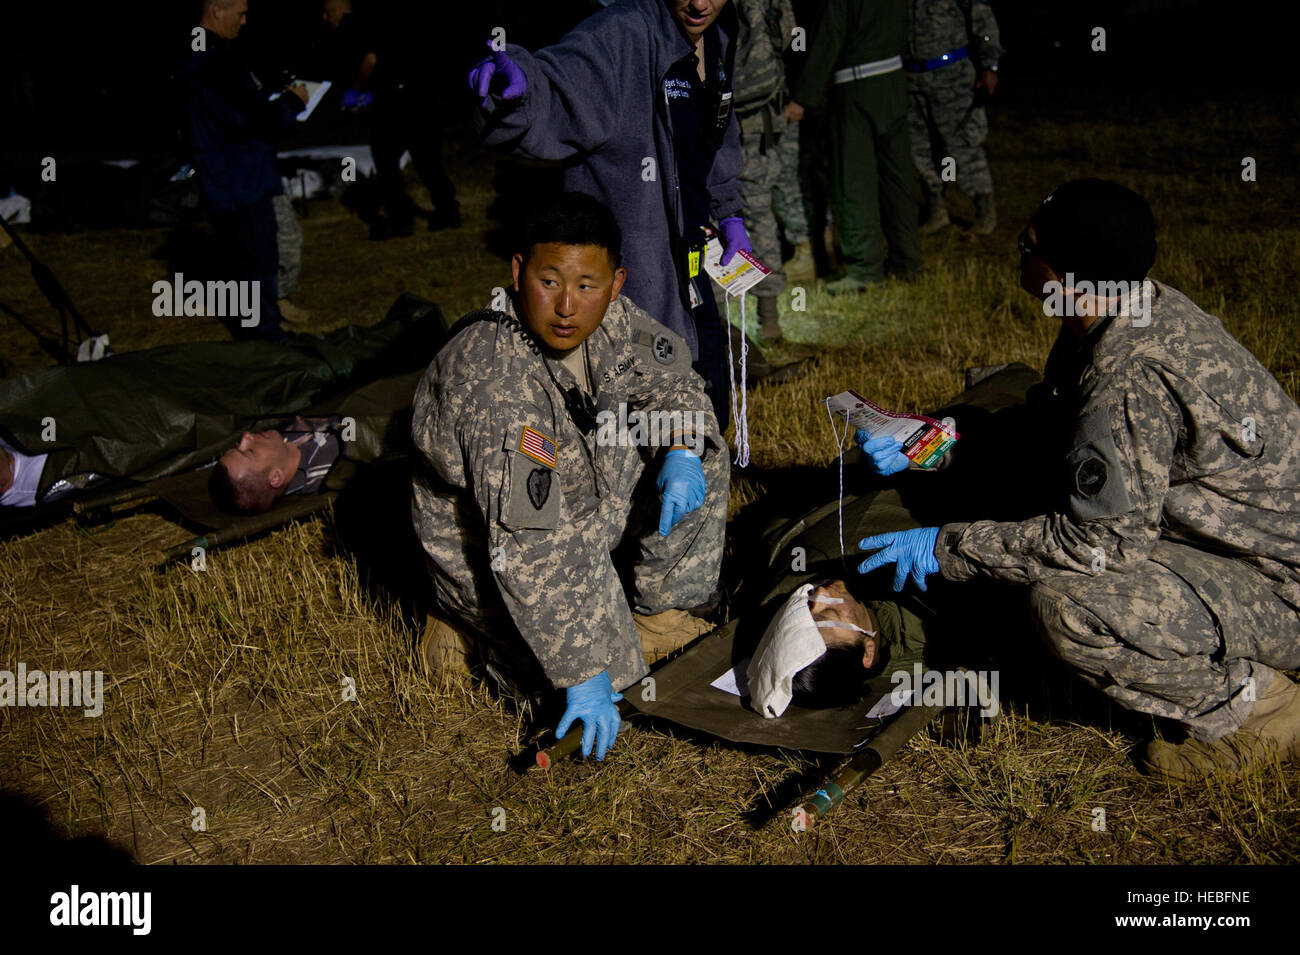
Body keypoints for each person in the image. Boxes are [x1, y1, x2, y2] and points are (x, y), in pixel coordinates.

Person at [854, 179, 1300, 781]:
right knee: (1027, 514)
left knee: (1067, 603)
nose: (1019, 253)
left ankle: (1258, 708)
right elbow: (1051, 434)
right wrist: (936, 443)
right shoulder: (1114, 316)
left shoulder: (1129, 373)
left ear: (1068, 277)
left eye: (1029, 246)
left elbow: (1101, 545)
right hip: (1226, 547)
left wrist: (945, 547)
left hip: (1279, 585)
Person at [411, 192, 728, 761]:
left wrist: (682, 447)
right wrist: (582, 673)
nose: (565, 306)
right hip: (497, 552)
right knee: (612, 686)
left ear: (615, 283)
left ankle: (659, 611)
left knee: (699, 446)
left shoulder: (616, 319)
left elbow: (674, 381)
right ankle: (470, 628)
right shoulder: (495, 384)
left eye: (586, 286)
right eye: (549, 281)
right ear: (518, 273)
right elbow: (528, 542)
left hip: (579, 504)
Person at [467, 0, 750, 430]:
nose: (699, 3)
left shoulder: (717, 41)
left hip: (690, 268)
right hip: (635, 280)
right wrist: (519, 92)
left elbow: (717, 138)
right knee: (636, 419)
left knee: (709, 407)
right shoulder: (621, 36)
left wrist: (729, 214)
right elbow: (557, 90)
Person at [0, 306, 442, 511]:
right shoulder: (336, 462)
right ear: (275, 477)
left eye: (241, 445)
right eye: (248, 450)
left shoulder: (266, 436)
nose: (245, 438)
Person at [184, 0, 308, 341]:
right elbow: (251, 120)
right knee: (255, 260)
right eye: (239, 14)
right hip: (239, 180)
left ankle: (261, 331)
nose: (244, 21)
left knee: (247, 260)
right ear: (216, 11)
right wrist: (292, 103)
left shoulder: (205, 56)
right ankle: (264, 340)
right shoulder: (214, 62)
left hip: (229, 176)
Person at [787, 0, 921, 294]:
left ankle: (866, 268)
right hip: (894, 81)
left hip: (855, 86)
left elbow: (829, 38)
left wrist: (804, 97)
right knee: (898, 179)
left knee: (853, 180)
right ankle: (907, 261)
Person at [320, 0, 461, 240]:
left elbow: (371, 60)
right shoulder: (379, 20)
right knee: (427, 160)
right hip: (419, 95)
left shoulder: (352, 26)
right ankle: (449, 211)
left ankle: (401, 219)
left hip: (397, 103)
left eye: (326, 12)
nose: (324, 18)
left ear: (337, 7)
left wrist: (357, 88)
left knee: (386, 160)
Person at [732, 0, 801, 341]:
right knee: (760, 217)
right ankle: (769, 320)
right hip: (758, 120)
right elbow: (788, 35)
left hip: (710, 120)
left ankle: (719, 324)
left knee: (704, 225)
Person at [907, 0, 1003, 237]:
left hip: (952, 76)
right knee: (921, 149)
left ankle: (984, 212)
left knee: (963, 145)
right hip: (911, 79)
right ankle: (937, 211)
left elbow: (982, 18)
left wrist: (989, 65)